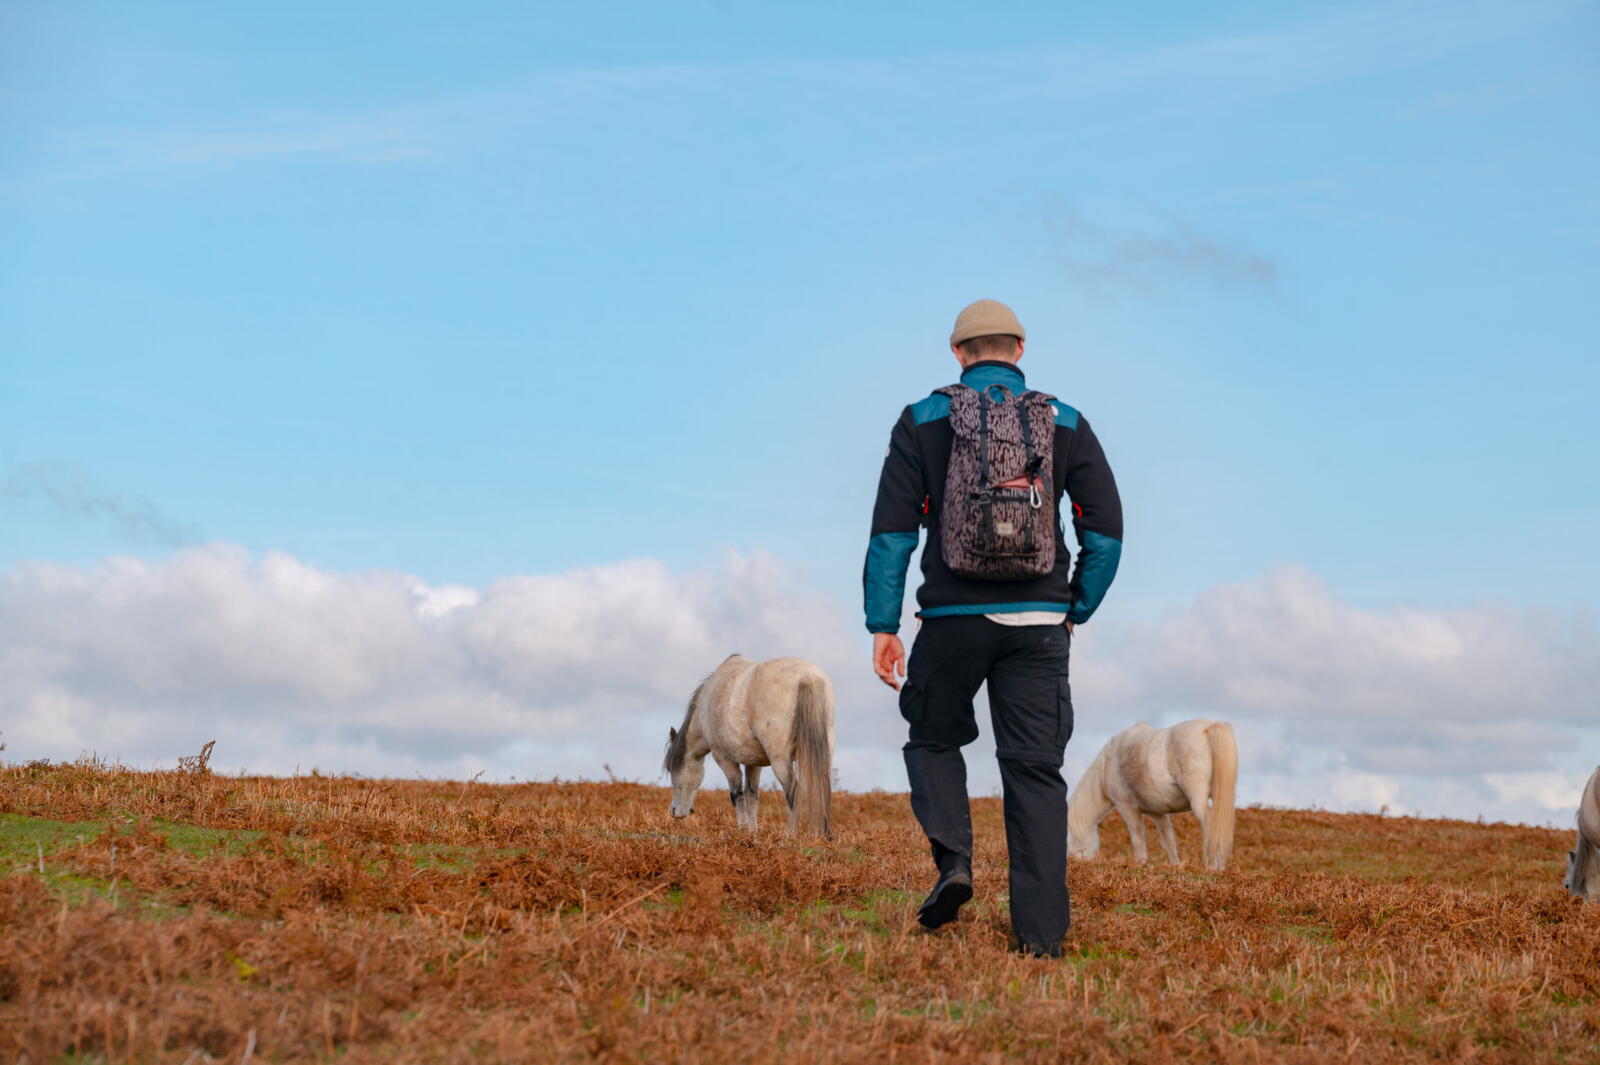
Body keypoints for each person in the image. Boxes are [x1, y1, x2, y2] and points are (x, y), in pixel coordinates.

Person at [863, 299, 1123, 957]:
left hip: (950, 618)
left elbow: (892, 531)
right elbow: (1107, 529)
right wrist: (1076, 605)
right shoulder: (1064, 422)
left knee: (931, 738)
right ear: (1020, 348)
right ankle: (1041, 941)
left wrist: (883, 622)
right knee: (1035, 770)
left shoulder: (923, 418)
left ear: (957, 353)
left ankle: (954, 862)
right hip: (1039, 623)